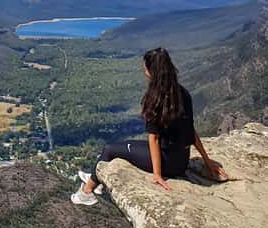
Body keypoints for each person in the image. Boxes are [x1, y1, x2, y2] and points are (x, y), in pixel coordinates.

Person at [71, 46, 228, 206]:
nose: (144, 72)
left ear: (153, 72)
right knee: (124, 147)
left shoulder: (156, 100)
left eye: (145, 69)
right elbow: (191, 132)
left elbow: (153, 138)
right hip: (181, 161)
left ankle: (87, 192)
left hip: (167, 163)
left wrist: (157, 175)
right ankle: (96, 179)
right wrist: (207, 161)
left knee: (110, 149)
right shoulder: (183, 93)